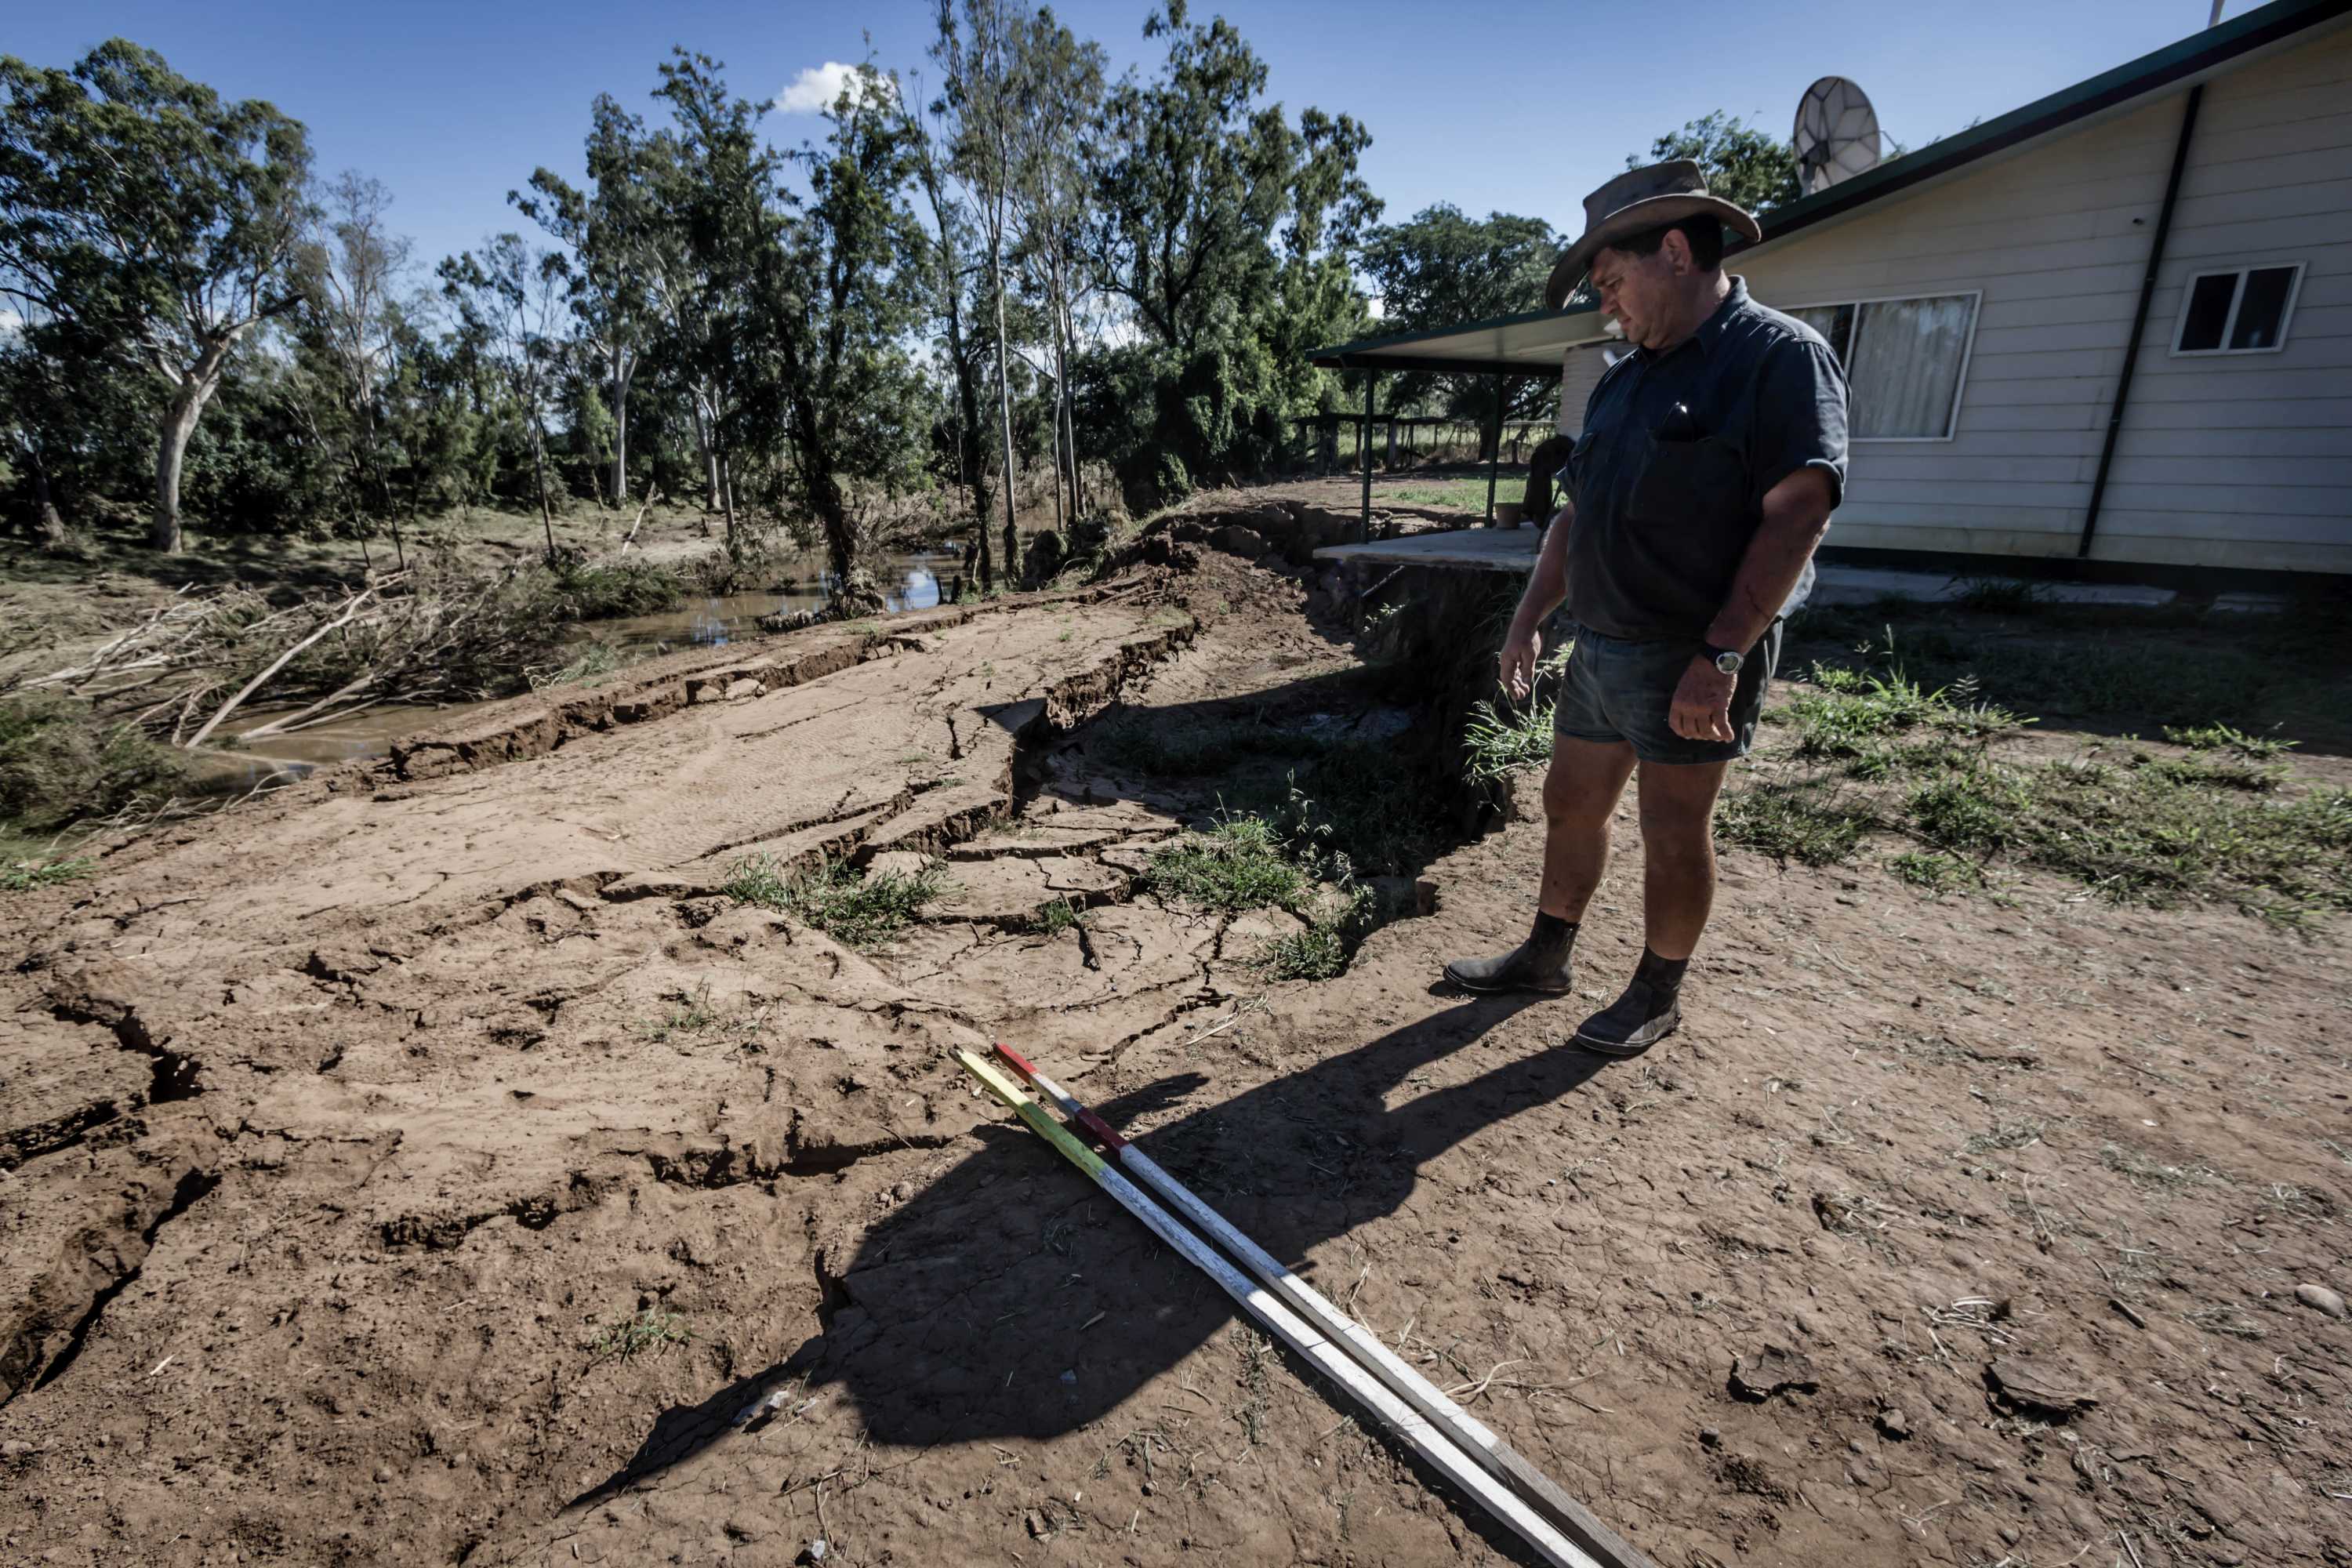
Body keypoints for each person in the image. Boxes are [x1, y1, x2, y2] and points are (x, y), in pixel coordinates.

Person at [1442, 160, 1849, 1057]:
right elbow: (1575, 514)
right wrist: (1528, 617)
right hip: (1601, 642)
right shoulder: (1625, 379)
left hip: (1691, 652)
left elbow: (1798, 515)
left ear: (1674, 251)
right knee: (1569, 801)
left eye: (1611, 281)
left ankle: (1658, 989)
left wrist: (1724, 655)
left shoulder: (1777, 357)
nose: (1607, 307)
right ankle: (1546, 954)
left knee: (1672, 825)